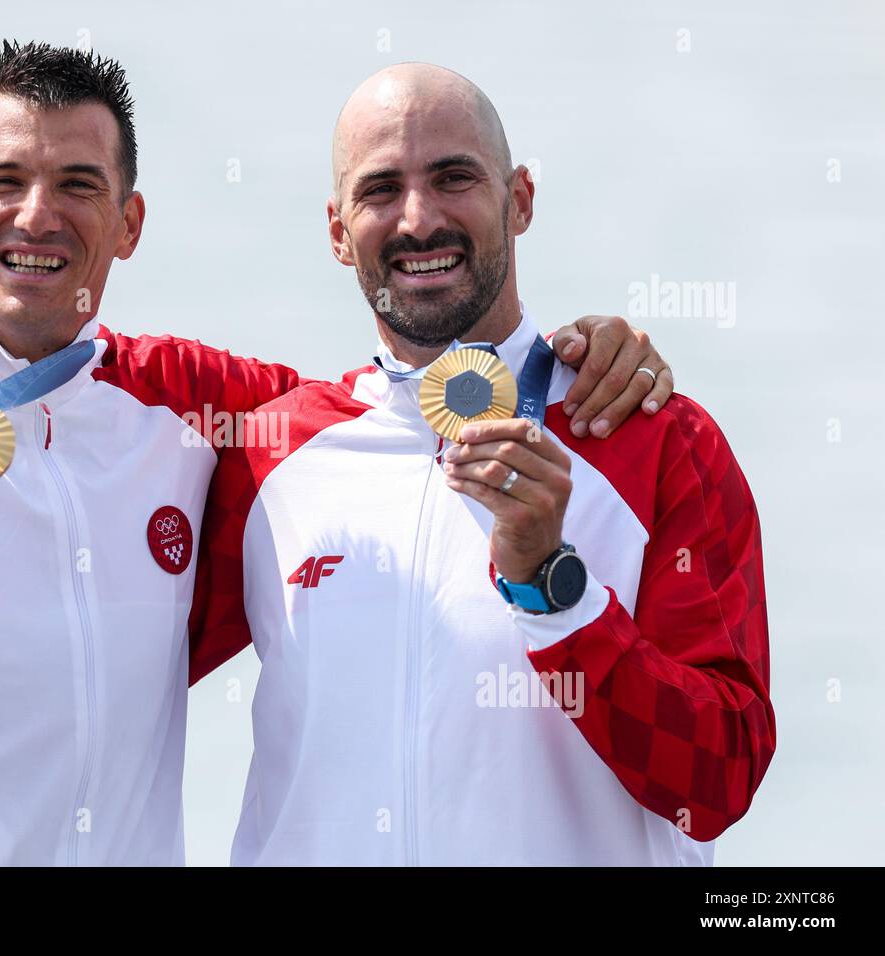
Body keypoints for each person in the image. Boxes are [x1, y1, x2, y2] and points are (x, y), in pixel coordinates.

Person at [0, 42, 673, 866]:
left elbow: (391, 403)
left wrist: (578, 356)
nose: (37, 216)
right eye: (2, 181)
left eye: (78, 184)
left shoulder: (194, 404)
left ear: (129, 222)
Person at [190, 63, 773, 865]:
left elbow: (719, 780)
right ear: (336, 231)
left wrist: (556, 594)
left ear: (521, 199)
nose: (418, 219)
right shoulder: (268, 455)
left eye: (453, 177)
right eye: (380, 189)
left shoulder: (654, 435)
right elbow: (97, 676)